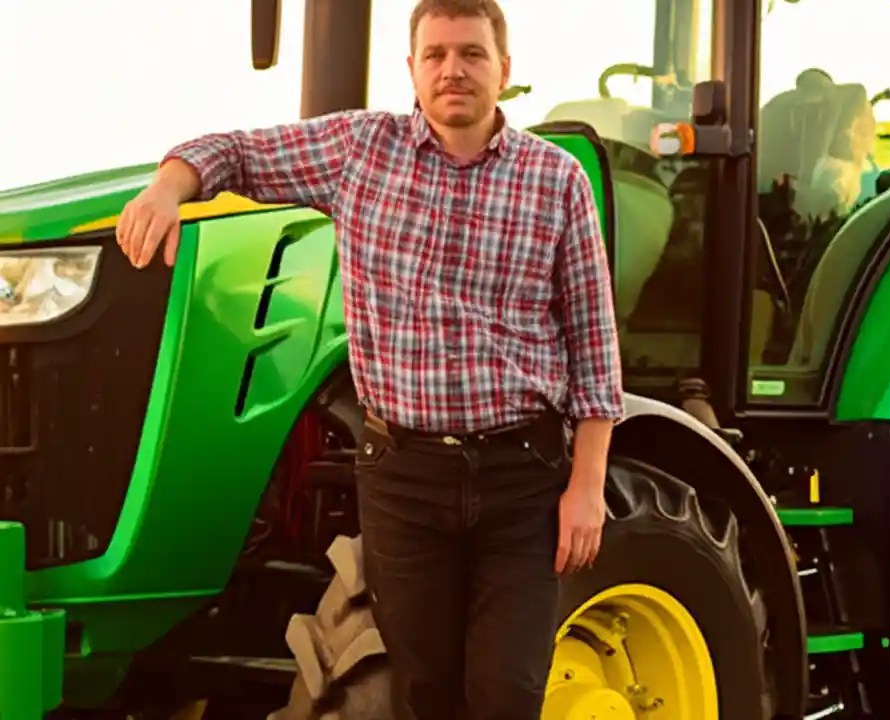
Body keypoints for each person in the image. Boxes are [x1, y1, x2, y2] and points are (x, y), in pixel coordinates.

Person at [114, 0, 624, 717]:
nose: (454, 70)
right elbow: (235, 152)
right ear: (411, 69)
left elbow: (594, 347)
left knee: (506, 693)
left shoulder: (555, 180)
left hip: (522, 480)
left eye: (472, 55)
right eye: (437, 54)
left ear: (504, 71)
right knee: (421, 693)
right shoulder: (360, 150)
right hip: (405, 480)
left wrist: (588, 485)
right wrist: (169, 188)